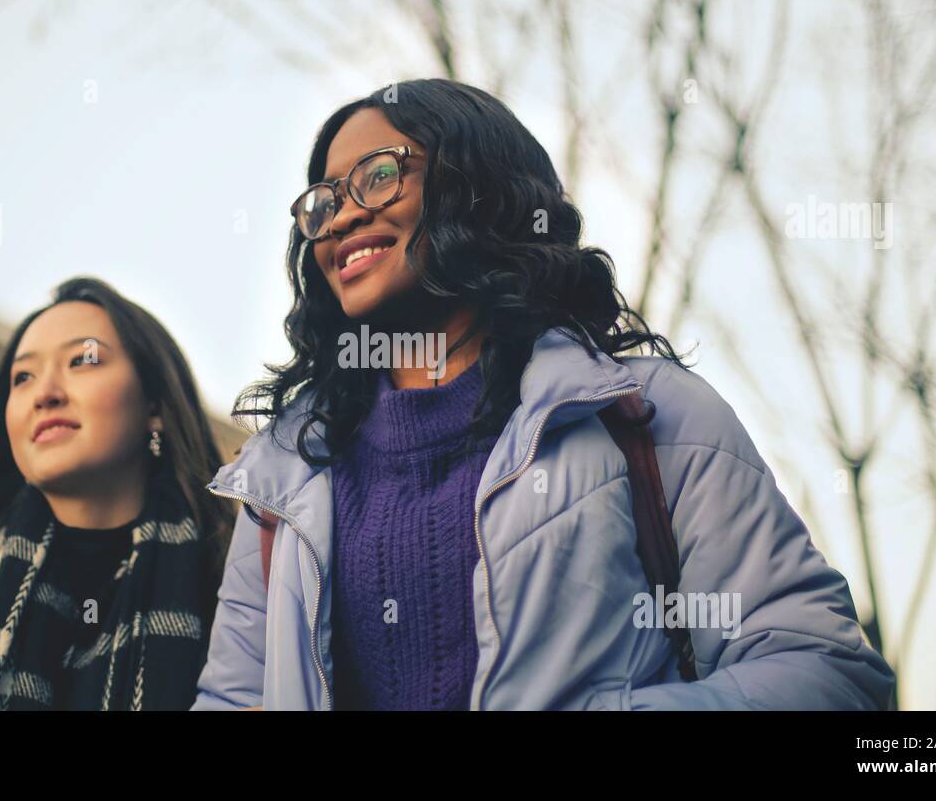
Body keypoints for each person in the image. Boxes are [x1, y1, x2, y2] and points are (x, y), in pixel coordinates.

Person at [192, 78, 895, 711]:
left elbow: (826, 672)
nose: (341, 218)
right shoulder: (286, 476)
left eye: (379, 176)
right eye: (323, 201)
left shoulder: (642, 414)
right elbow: (232, 699)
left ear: (479, 185)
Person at [0, 277, 233, 710]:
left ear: (155, 405)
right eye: (24, 376)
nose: (45, 394)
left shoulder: (236, 587)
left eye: (83, 360)